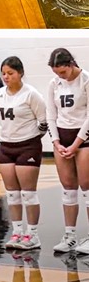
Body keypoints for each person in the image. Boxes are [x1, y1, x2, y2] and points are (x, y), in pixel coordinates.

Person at [0, 56, 48, 251]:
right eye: (3, 73)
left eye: (10, 73)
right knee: (12, 194)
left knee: (28, 194)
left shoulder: (31, 94)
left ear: (20, 73)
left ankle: (32, 234)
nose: (6, 77)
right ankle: (17, 232)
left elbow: (43, 122)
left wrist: (29, 137)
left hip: (28, 146)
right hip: (6, 147)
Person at [46, 48, 89, 253]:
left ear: (71, 64)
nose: (60, 76)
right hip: (62, 139)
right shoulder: (53, 84)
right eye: (56, 73)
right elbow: (51, 115)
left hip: (84, 139)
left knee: (87, 187)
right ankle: (70, 235)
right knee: (68, 188)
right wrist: (56, 141)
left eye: (62, 72)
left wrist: (75, 145)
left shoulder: (86, 80)